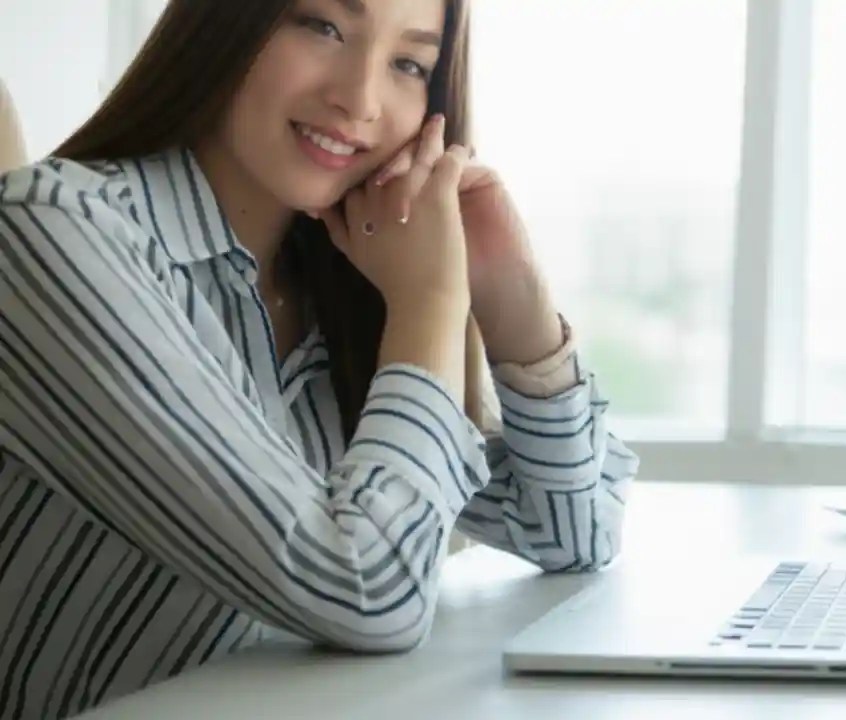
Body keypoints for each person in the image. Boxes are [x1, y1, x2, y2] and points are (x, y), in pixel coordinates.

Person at [0, 1, 639, 717]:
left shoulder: (343, 279)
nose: (359, 99)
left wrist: (519, 311)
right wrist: (429, 301)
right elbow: (367, 594)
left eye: (409, 64)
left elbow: (574, 531)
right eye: (322, 26)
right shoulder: (47, 232)